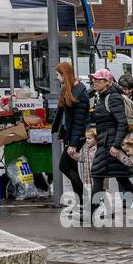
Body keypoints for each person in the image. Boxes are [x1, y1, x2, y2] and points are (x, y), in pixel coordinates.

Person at [87, 68, 133, 196]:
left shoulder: (113, 98)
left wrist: (115, 145)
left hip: (110, 145)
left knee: (97, 175)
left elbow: (122, 123)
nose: (94, 82)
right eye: (93, 79)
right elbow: (104, 122)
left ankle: (92, 214)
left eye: (97, 79)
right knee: (122, 179)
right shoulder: (101, 97)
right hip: (106, 143)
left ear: (107, 82)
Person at [51, 61, 90, 199]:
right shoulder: (67, 89)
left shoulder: (79, 93)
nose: (56, 78)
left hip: (76, 137)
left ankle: (84, 197)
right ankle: (80, 201)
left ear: (64, 74)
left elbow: (79, 122)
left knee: (64, 165)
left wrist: (73, 144)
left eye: (58, 75)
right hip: (69, 134)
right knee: (71, 168)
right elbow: (62, 113)